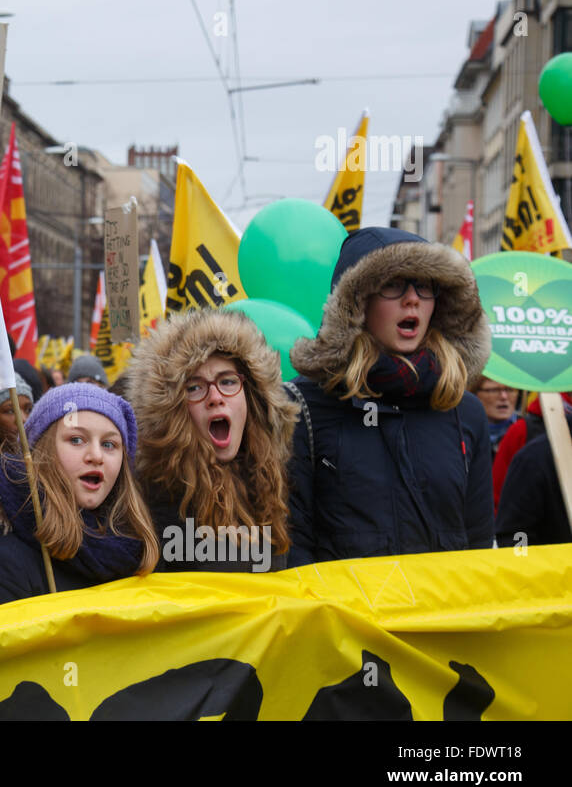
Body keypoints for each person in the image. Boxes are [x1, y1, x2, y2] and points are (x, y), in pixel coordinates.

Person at [287, 227, 494, 566]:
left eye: (425, 286)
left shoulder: (465, 411)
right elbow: (293, 546)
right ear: (357, 302)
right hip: (344, 618)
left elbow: (480, 547)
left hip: (445, 618)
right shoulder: (302, 408)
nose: (412, 299)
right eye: (392, 284)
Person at [0, 384, 157, 612]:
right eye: (76, 440)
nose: (96, 456)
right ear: (41, 450)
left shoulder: (135, 549)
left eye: (109, 444)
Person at [127, 309, 296, 572]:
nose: (215, 397)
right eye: (194, 387)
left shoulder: (278, 485)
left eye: (227, 381)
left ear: (251, 397)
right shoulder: (147, 497)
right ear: (174, 411)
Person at [470, 376, 517, 454]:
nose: (504, 396)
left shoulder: (527, 432)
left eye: (510, 389)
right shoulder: (463, 432)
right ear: (474, 394)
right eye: (494, 390)